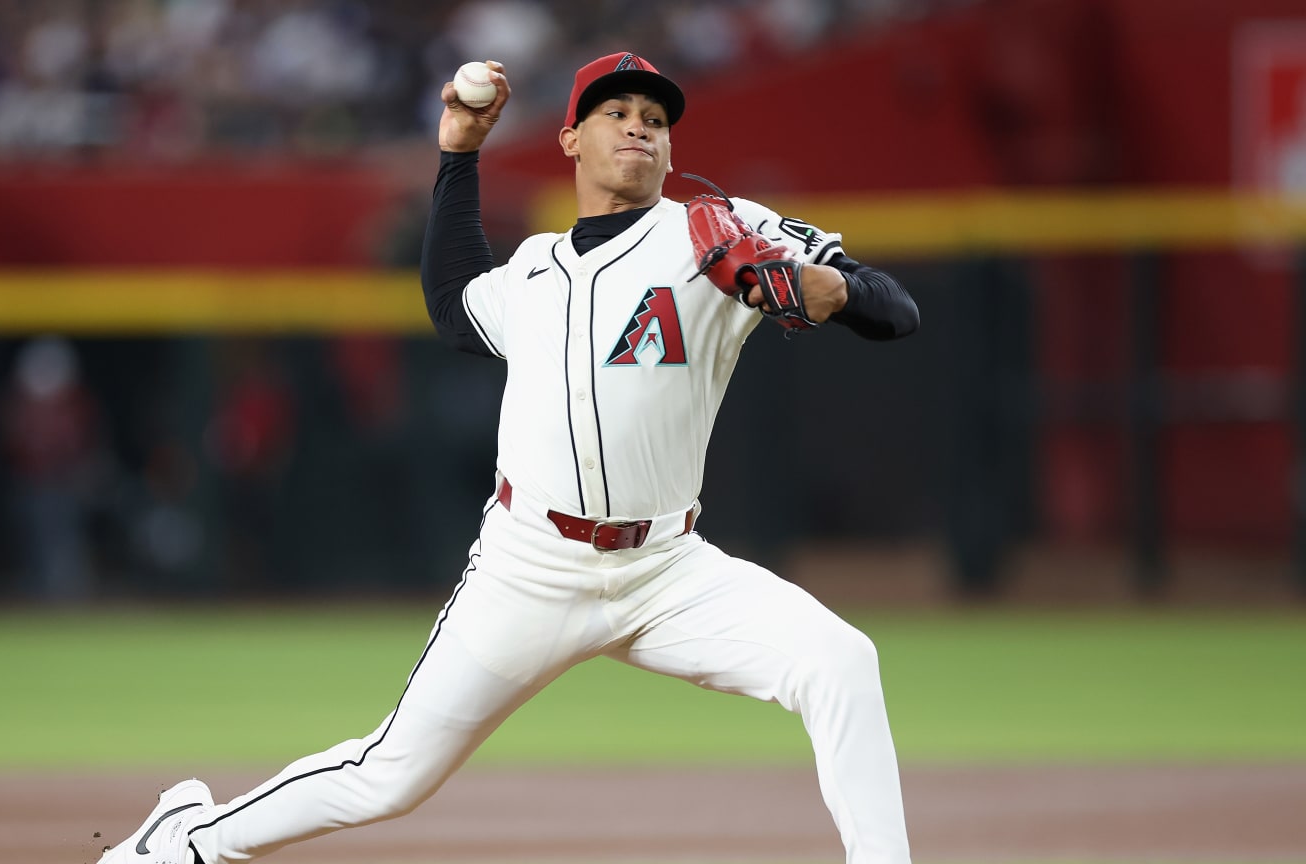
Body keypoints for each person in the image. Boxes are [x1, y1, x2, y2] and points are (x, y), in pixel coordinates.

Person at [97, 51, 919, 864]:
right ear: (570, 140)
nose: (641, 128)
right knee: (389, 776)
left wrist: (833, 291)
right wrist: (458, 152)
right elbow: (454, 306)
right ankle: (185, 841)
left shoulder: (720, 229)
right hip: (531, 567)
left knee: (840, 661)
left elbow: (897, 309)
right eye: (618, 113)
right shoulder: (535, 268)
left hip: (668, 569)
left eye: (657, 120)